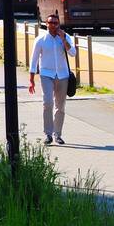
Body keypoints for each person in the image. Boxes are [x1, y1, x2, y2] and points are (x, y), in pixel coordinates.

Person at [29, 13, 76, 145]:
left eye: (55, 23)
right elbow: (33, 60)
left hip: (62, 75)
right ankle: (48, 134)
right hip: (46, 75)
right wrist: (31, 79)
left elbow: (73, 53)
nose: (53, 25)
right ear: (46, 24)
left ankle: (58, 134)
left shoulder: (64, 37)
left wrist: (64, 40)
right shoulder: (41, 39)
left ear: (59, 24)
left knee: (60, 106)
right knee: (48, 103)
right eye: (50, 23)